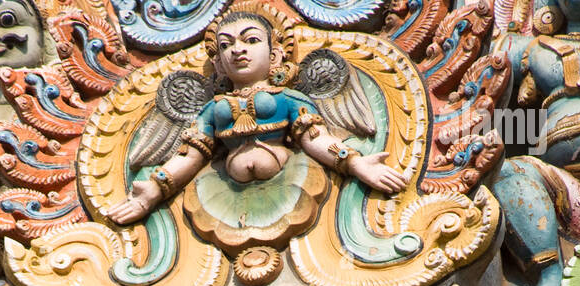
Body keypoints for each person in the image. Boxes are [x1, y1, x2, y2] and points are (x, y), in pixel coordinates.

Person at [107, 7, 405, 227]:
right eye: (226, 45)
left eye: (250, 41)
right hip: (222, 196)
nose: (238, 50)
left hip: (293, 182)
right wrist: (151, 193)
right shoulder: (213, 109)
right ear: (219, 65)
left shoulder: (287, 99)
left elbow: (315, 139)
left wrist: (355, 164)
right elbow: (190, 154)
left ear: (274, 55)